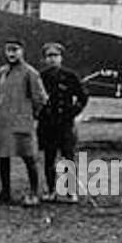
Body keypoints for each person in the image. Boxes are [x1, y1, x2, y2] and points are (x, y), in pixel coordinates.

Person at [0, 37, 47, 205]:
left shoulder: (30, 73)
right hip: (3, 122)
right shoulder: (1, 72)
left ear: (22, 51)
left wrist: (30, 114)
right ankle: (5, 192)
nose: (11, 53)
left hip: (22, 122)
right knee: (3, 156)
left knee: (29, 157)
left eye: (15, 50)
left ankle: (35, 193)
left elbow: (40, 98)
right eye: (8, 50)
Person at [38, 42, 89, 202]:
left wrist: (73, 112)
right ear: (45, 59)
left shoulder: (70, 76)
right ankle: (51, 190)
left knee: (68, 158)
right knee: (49, 158)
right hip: (47, 123)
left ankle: (70, 191)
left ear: (61, 58)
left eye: (55, 56)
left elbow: (83, 96)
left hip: (65, 123)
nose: (52, 59)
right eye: (49, 56)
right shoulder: (41, 77)